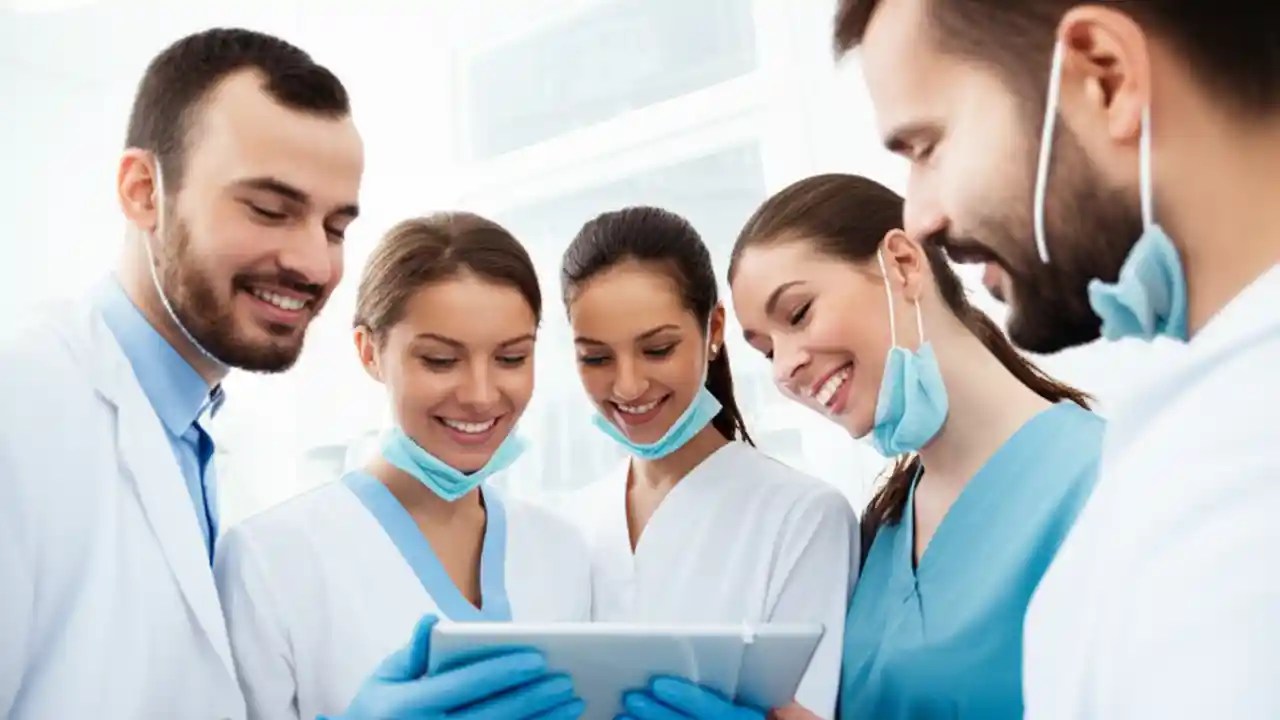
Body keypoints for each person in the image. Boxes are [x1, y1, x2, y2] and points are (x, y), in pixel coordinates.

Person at [836, 0, 1280, 715]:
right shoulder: (1202, 428)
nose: (920, 217)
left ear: (1103, 76)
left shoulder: (1246, 482)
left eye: (926, 147)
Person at [625, 174, 1106, 720]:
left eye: (798, 313)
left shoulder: (1104, 484)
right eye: (766, 351)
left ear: (902, 263)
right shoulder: (883, 529)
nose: (785, 368)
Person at [0, 28, 366, 719]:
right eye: (269, 210)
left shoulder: (218, 445)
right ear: (143, 192)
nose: (315, 265)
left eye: (336, 227)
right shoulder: (19, 413)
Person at [214, 213, 590, 720]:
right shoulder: (269, 559)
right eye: (440, 360)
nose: (481, 396)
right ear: (370, 353)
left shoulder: (562, 552)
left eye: (511, 358)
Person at [559, 206, 857, 720]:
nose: (628, 385)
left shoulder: (803, 516)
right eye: (597, 358)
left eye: (657, 349)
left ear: (713, 328)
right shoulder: (565, 525)